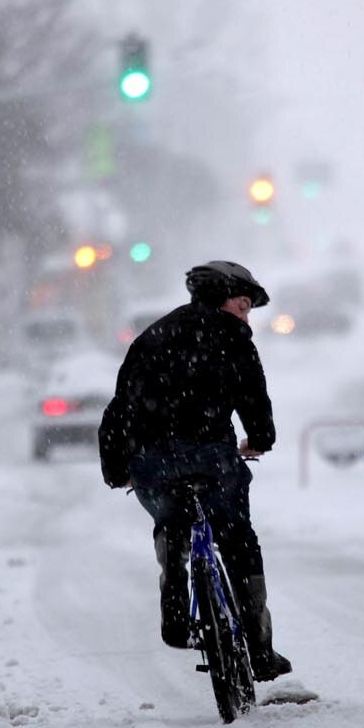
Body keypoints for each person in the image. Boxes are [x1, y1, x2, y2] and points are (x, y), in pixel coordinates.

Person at [99, 261, 292, 682]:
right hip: (211, 458)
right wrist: (260, 438)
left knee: (171, 519)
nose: (246, 319)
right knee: (237, 538)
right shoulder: (233, 338)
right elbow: (253, 397)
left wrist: (117, 469)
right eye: (243, 307)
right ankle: (260, 649)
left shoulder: (151, 337)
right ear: (223, 299)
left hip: (152, 463)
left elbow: (119, 408)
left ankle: (174, 603)